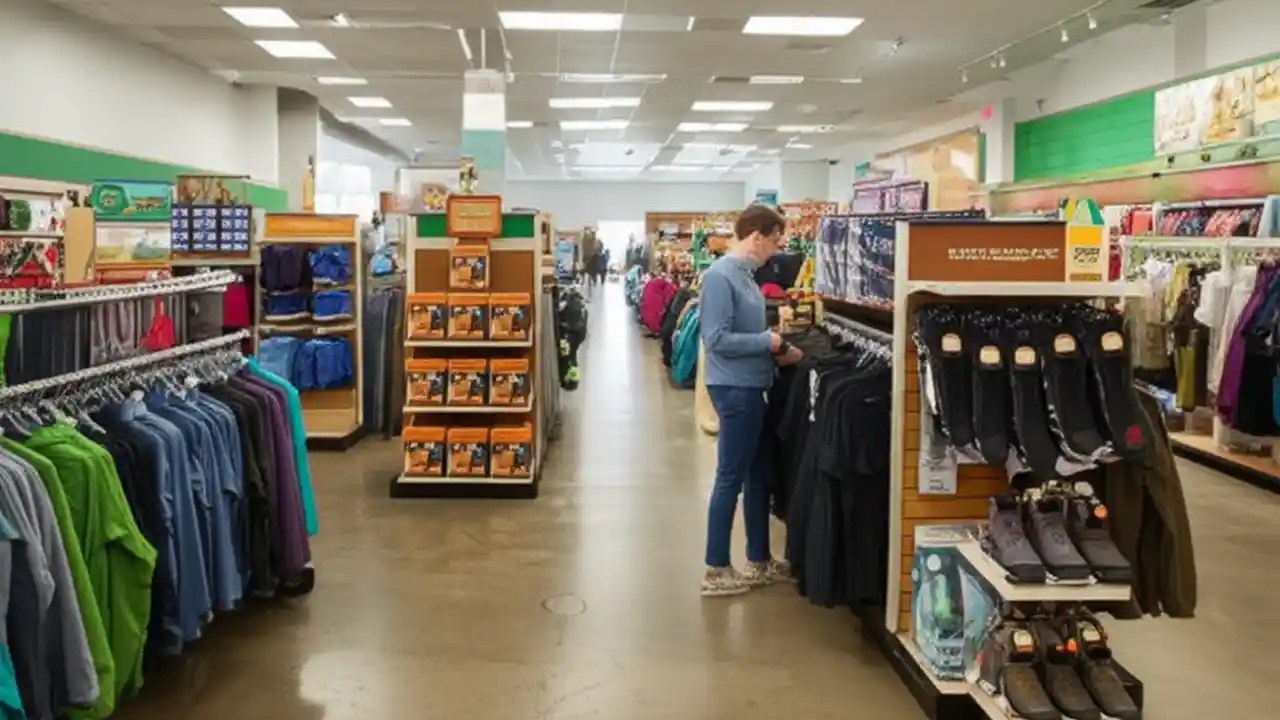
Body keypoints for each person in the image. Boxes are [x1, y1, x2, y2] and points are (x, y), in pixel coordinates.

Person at [698, 204, 802, 597]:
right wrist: (767, 341)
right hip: (735, 390)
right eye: (775, 241)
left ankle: (758, 559)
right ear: (756, 235)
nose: (777, 251)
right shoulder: (721, 277)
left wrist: (775, 345)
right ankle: (716, 567)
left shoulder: (746, 276)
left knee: (758, 476)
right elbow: (716, 339)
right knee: (730, 477)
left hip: (753, 385)